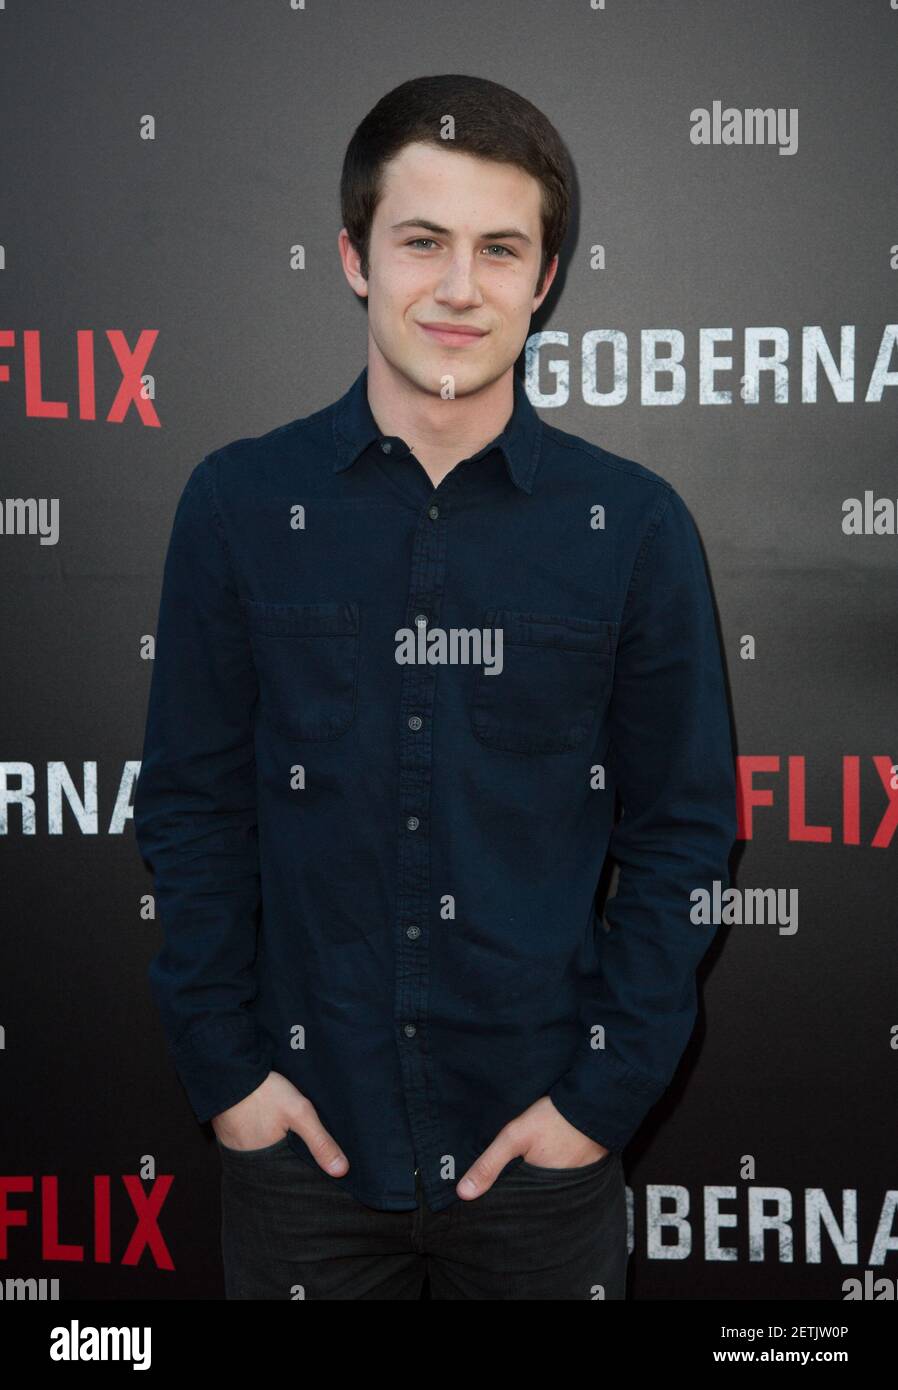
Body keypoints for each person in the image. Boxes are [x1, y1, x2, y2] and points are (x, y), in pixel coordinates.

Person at [134, 73, 737, 1300]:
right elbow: (191, 810)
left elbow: (684, 830)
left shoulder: (631, 527)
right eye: (423, 242)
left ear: (546, 277)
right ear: (354, 256)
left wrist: (597, 1102)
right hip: (299, 1154)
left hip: (543, 1162)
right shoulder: (238, 506)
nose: (460, 288)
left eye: (500, 248)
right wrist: (231, 1082)